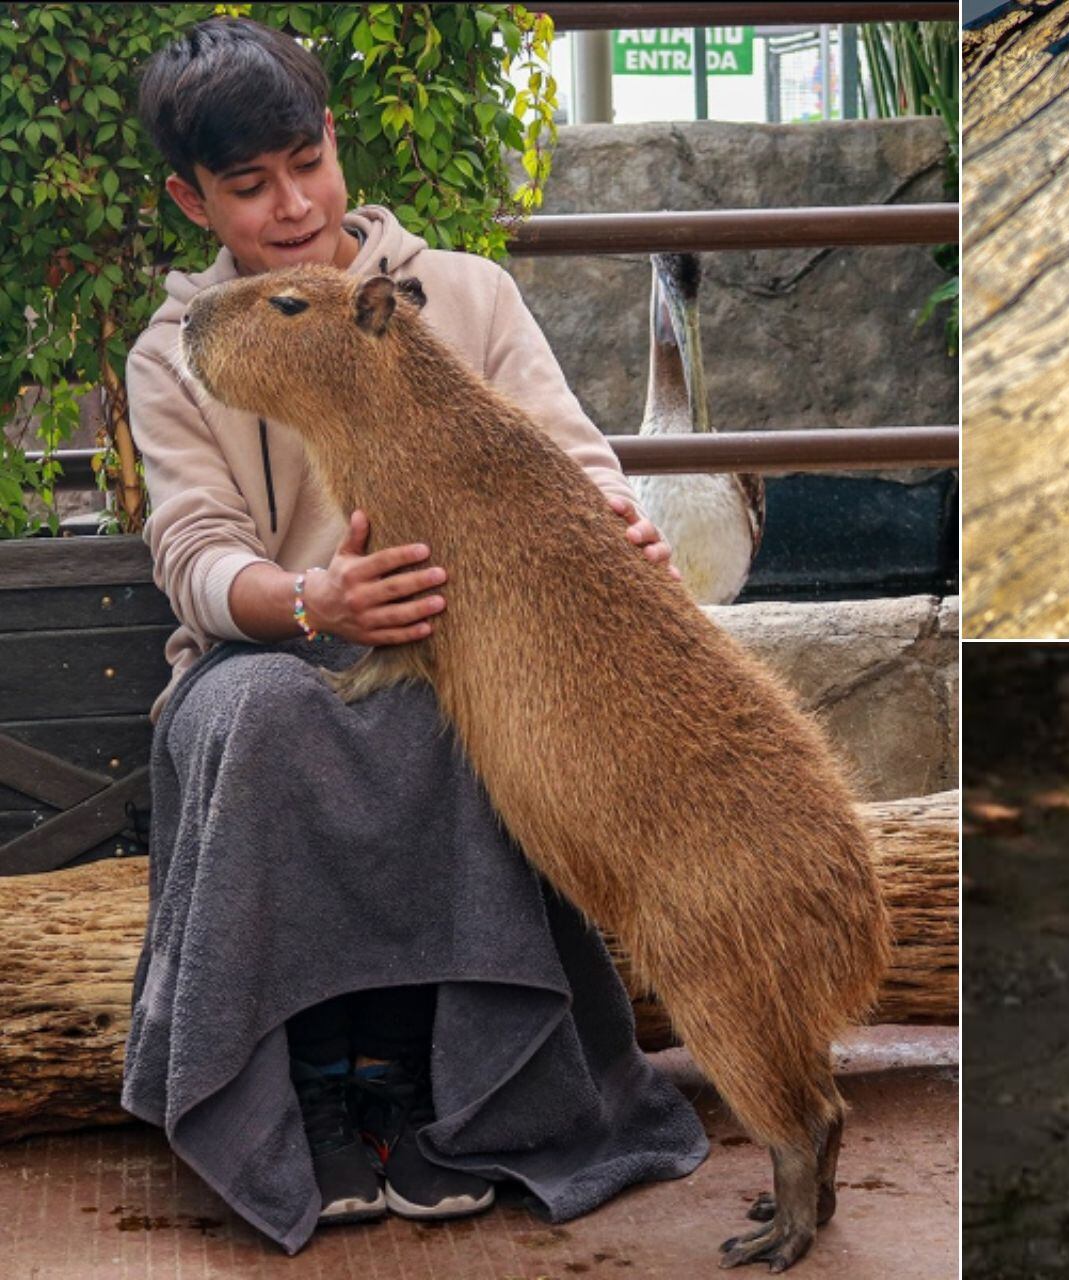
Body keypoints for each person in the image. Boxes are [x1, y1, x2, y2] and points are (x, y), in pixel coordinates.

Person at [119, 16, 708, 1251]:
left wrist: (616, 531)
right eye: (247, 186)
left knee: (462, 705)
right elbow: (194, 552)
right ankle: (307, 1087)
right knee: (276, 711)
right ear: (192, 199)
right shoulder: (177, 354)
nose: (290, 206)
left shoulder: (462, 294)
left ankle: (451, 1079)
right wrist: (311, 602)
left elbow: (571, 454)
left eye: (305, 164)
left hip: (457, 641)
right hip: (264, 662)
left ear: (334, 140)